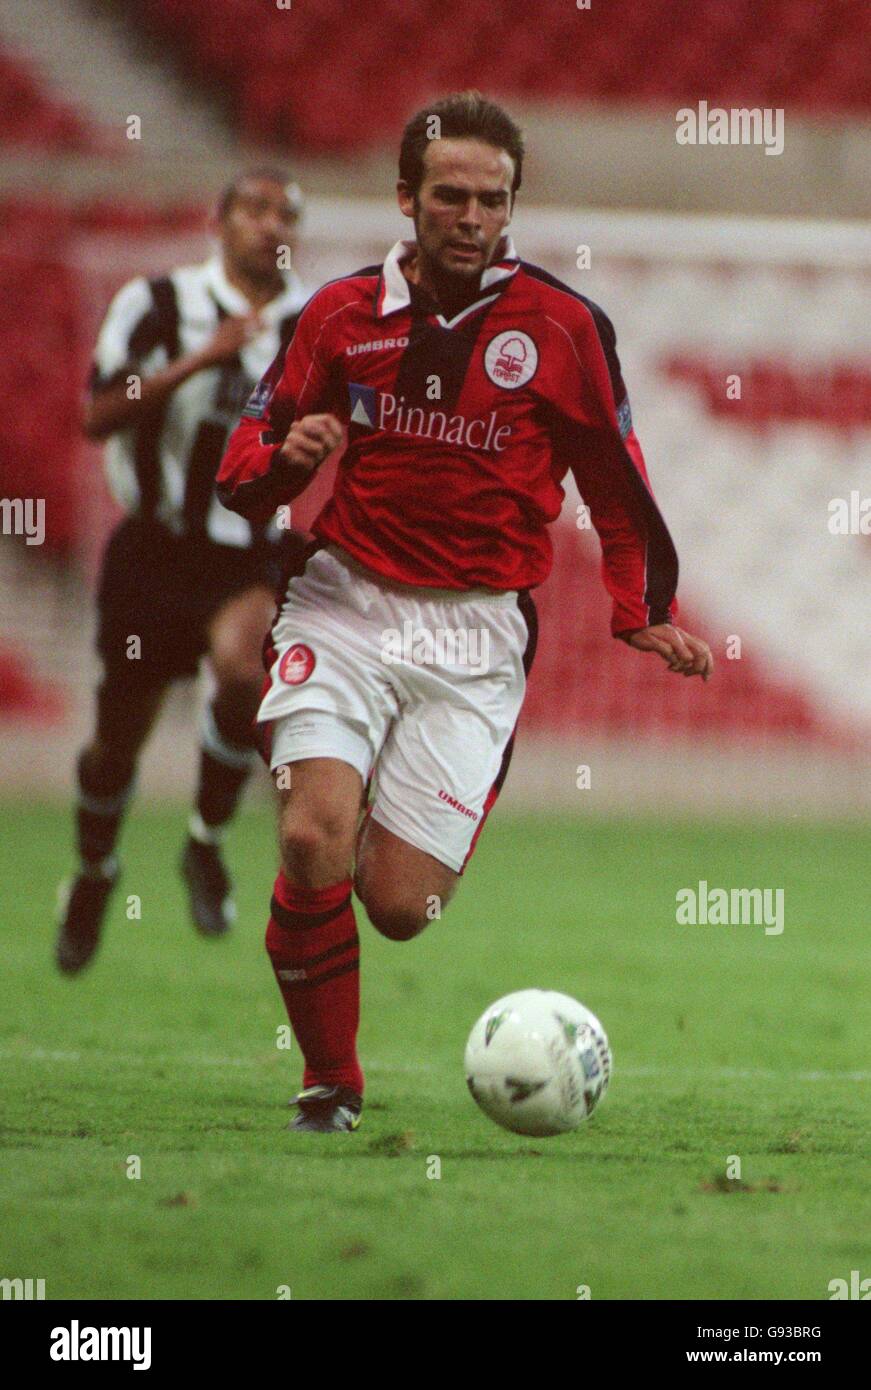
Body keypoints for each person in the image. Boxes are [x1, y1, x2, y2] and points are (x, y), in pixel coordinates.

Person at [217, 93, 713, 1133]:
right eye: (450, 195)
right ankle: (328, 1085)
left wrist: (641, 605)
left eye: (493, 198)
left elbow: (610, 477)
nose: (472, 215)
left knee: (399, 905)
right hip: (341, 600)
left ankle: (364, 836)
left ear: (512, 205)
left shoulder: (563, 326)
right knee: (311, 837)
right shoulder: (339, 315)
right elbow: (244, 459)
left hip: (475, 631)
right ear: (407, 198)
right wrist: (280, 463)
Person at [56, 169, 310, 973]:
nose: (271, 225)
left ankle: (204, 841)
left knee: (245, 676)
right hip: (157, 549)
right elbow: (99, 411)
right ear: (220, 220)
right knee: (114, 743)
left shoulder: (313, 321)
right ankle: (96, 872)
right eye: (255, 209)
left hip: (249, 551)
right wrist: (201, 359)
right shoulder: (157, 303)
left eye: (285, 215)